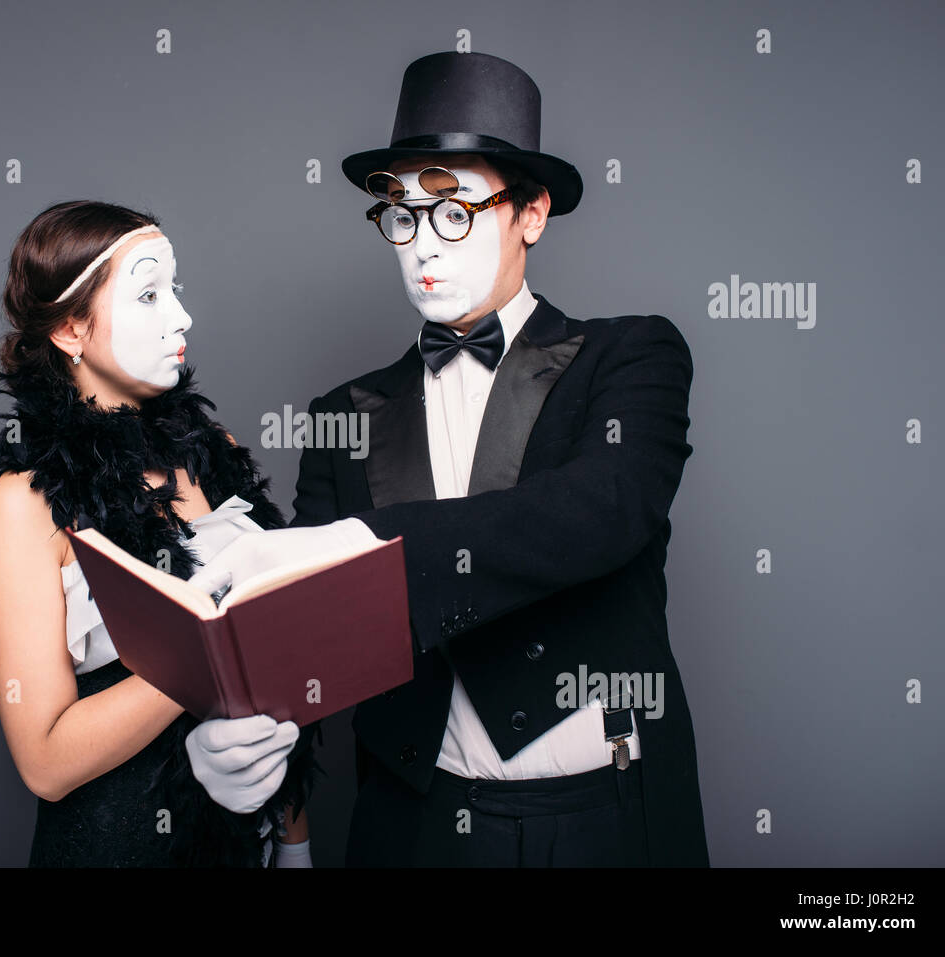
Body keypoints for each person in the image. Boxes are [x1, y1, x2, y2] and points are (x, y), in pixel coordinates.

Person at [186, 52, 710, 866]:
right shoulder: (342, 415)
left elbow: (602, 512)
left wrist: (343, 543)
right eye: (401, 212)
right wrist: (241, 745)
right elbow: (314, 643)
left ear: (532, 212)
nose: (421, 242)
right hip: (415, 825)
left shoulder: (632, 354)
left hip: (602, 819)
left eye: (453, 209)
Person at [0, 200, 316, 867]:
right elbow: (43, 761)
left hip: (244, 849)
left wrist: (295, 843)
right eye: (149, 294)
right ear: (71, 329)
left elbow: (280, 675)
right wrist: (210, 645)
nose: (181, 316)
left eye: (175, 290)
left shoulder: (214, 450)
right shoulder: (22, 502)